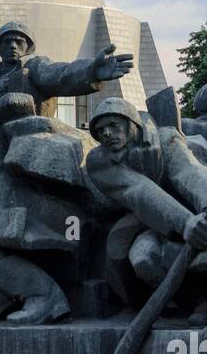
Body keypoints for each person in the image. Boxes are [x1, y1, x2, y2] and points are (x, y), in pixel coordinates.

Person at [86, 97, 207, 322]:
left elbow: (189, 172)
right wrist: (186, 224)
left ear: (132, 123)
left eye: (113, 125)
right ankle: (190, 301)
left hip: (195, 208)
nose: (107, 134)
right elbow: (139, 191)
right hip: (153, 220)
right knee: (143, 258)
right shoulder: (99, 161)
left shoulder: (165, 137)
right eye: (100, 130)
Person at [0, 20, 133, 121]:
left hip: (25, 135)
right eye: (7, 42)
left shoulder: (34, 66)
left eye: (18, 42)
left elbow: (62, 74)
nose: (12, 46)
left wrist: (91, 70)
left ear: (28, 46)